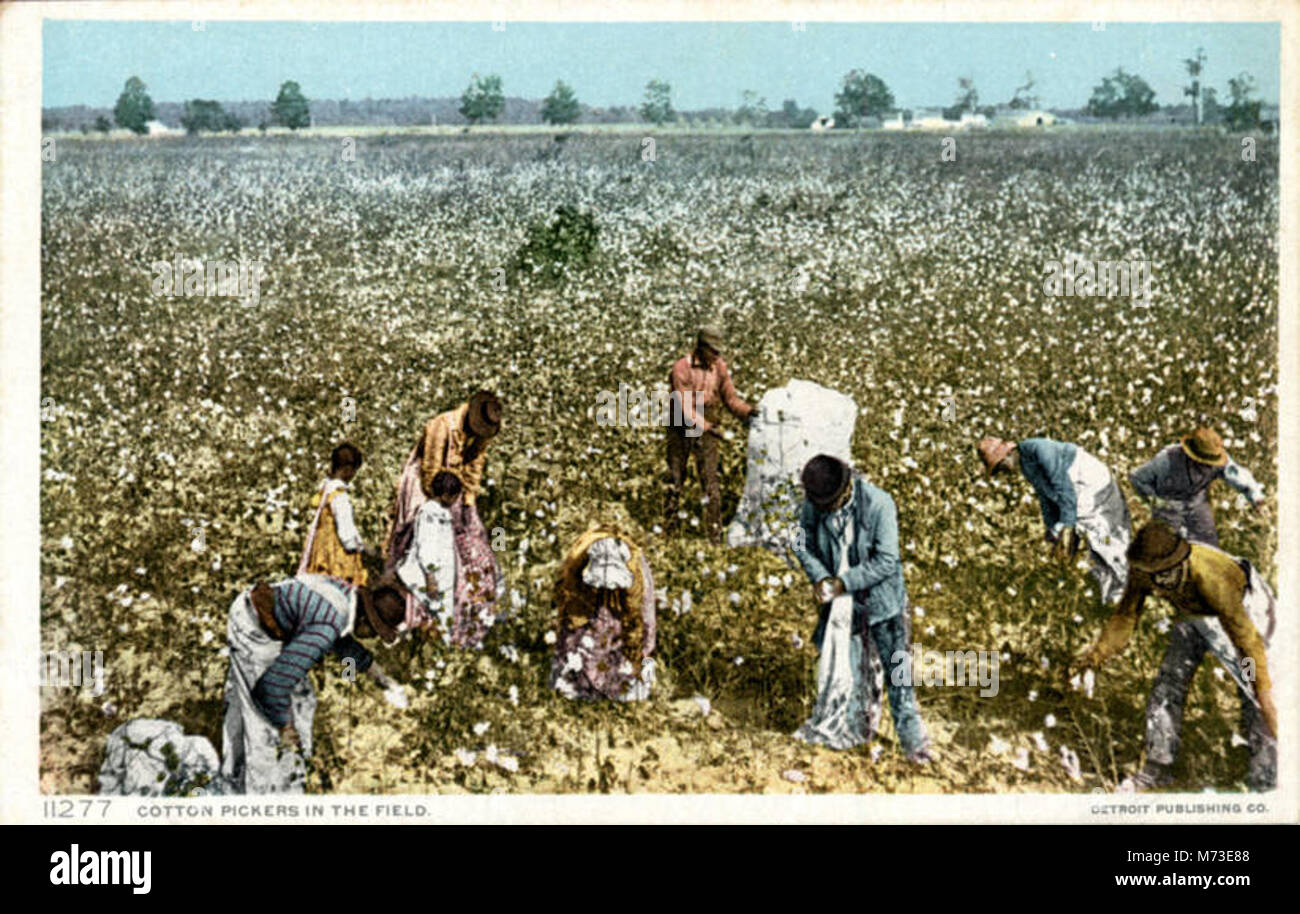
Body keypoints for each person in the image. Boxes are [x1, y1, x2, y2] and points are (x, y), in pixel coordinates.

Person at [1072, 521, 1277, 792]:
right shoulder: (1144, 569)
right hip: (1192, 614)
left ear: (1179, 562)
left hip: (1244, 614)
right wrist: (1094, 658)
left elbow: (1247, 643)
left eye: (1165, 576)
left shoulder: (1211, 576)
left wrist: (1259, 686)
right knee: (1169, 680)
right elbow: (1125, 617)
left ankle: (1266, 779)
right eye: (1154, 578)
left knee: (1256, 691)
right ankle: (1158, 766)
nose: (1157, 587)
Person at [791, 454, 927, 762]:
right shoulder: (814, 503)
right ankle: (854, 732)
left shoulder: (879, 504)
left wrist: (843, 582)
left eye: (830, 505)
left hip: (882, 603)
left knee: (898, 675)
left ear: (847, 488)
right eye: (820, 506)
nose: (824, 511)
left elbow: (886, 560)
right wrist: (820, 576)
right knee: (847, 669)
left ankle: (914, 746)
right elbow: (800, 543)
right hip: (841, 606)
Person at [221, 573, 406, 794]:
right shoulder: (327, 626)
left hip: (265, 610)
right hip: (253, 626)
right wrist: (285, 727)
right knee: (263, 726)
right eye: (375, 632)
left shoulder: (345, 600)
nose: (372, 638)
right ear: (365, 620)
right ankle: (259, 794)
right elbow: (271, 688)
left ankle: (233, 773)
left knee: (296, 699)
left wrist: (384, 680)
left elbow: (345, 647)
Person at [384, 391, 505, 639]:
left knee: (469, 534)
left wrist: (468, 502)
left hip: (453, 488)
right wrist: (438, 505)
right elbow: (430, 469)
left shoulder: (481, 433)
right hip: (429, 486)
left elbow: (474, 466)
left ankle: (463, 595)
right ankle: (403, 593)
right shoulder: (442, 426)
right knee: (415, 531)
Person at [978, 436, 1131, 605]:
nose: (1003, 472)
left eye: (1000, 467)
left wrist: (1067, 527)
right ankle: (1112, 593)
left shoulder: (1039, 450)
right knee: (1092, 540)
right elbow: (1046, 498)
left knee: (1101, 538)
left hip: (1090, 485)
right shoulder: (1026, 465)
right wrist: (1051, 531)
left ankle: (1127, 582)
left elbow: (1065, 489)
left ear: (1006, 455)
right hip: (1079, 493)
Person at [665, 324, 756, 543]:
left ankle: (714, 538)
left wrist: (749, 412)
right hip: (680, 423)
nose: (717, 355)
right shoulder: (681, 368)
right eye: (712, 350)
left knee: (710, 482)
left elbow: (730, 399)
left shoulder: (719, 367)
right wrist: (709, 428)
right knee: (675, 478)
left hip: (707, 422)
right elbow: (686, 409)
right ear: (701, 347)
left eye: (718, 351)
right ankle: (669, 532)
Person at [552, 522, 657, 701]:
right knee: (582, 643)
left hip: (621, 614)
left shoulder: (637, 577)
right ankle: (582, 685)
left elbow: (647, 617)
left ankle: (617, 686)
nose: (607, 587)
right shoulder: (576, 568)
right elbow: (569, 613)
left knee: (622, 649)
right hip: (588, 605)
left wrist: (645, 655)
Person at [1129, 427, 1265, 547]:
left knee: (1208, 547)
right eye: (1203, 462)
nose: (1208, 466)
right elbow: (1137, 478)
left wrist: (1256, 498)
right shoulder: (1167, 459)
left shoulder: (1217, 458)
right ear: (1192, 456)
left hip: (1197, 504)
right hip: (1168, 506)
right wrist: (1155, 500)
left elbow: (1239, 476)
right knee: (1168, 549)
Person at [394, 471, 461, 638]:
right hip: (431, 575)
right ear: (445, 495)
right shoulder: (431, 514)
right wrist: (430, 576)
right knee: (435, 613)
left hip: (441, 575)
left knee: (442, 613)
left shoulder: (440, 512)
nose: (456, 501)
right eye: (455, 496)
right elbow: (427, 546)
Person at [298, 442, 371, 585]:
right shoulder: (339, 496)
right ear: (348, 469)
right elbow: (347, 536)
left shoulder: (325, 492)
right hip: (336, 561)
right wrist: (364, 548)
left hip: (321, 555)